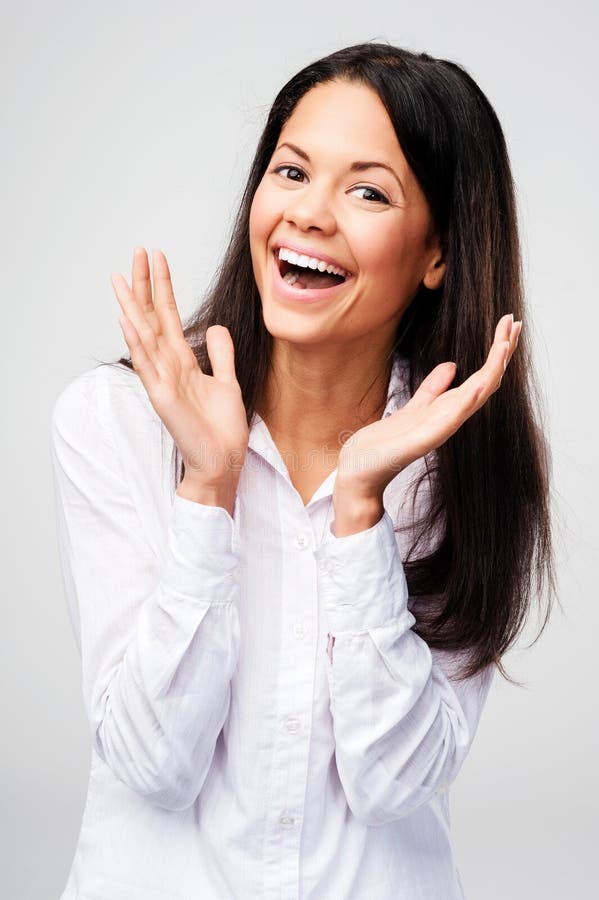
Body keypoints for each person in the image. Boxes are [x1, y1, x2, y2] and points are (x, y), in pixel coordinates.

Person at [50, 42, 553, 900]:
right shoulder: (116, 421)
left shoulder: (464, 464)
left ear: (437, 253)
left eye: (367, 191)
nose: (309, 214)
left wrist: (360, 513)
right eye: (291, 172)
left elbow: (395, 785)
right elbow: (151, 764)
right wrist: (207, 490)